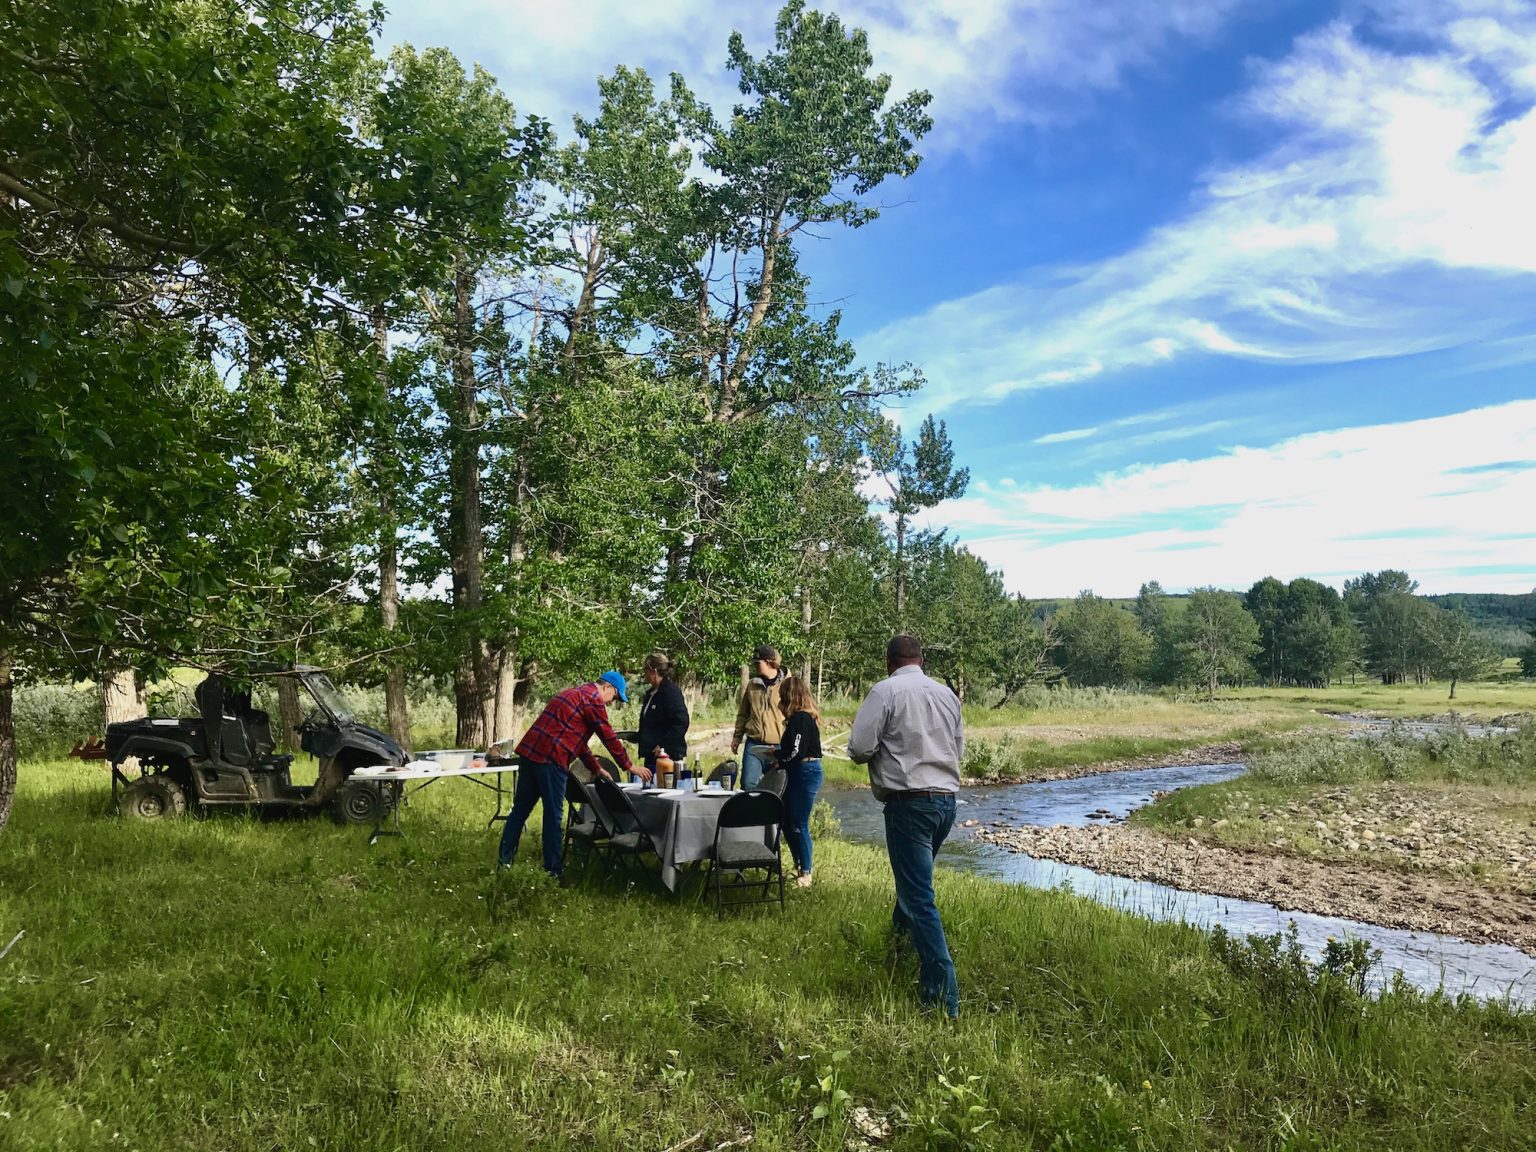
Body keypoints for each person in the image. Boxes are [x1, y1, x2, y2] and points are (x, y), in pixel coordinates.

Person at [847, 635, 964, 1018]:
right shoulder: (946, 694)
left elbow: (861, 747)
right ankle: (896, 949)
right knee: (914, 883)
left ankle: (942, 998)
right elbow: (957, 748)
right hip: (945, 803)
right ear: (921, 659)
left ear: (888, 661)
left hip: (908, 804)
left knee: (918, 897)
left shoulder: (885, 692)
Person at [497, 671, 650, 877]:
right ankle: (553, 873)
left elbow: (576, 742)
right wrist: (629, 766)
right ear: (607, 688)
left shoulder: (570, 694)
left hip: (529, 755)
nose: (611, 703)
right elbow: (608, 736)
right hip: (551, 760)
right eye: (614, 697)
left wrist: (596, 768)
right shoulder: (593, 700)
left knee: (520, 811)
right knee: (553, 817)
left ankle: (504, 864)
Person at [775, 675, 823, 889]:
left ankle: (806, 872)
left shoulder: (801, 719)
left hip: (805, 770)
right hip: (799, 769)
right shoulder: (799, 719)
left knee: (798, 822)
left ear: (789, 696)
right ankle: (799, 866)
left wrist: (780, 760)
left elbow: (797, 750)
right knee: (787, 821)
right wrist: (777, 754)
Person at [731, 645, 785, 789]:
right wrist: (737, 737)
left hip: (779, 745)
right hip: (754, 744)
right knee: (748, 785)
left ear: (769, 662)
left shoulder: (786, 685)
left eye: (757, 663)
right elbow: (743, 714)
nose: (755, 666)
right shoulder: (752, 685)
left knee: (778, 788)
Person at [637, 652, 689, 781]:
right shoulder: (651, 693)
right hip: (651, 755)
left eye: (645, 670)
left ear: (653, 671)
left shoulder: (670, 692)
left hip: (668, 756)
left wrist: (664, 745)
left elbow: (681, 721)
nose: (644, 674)